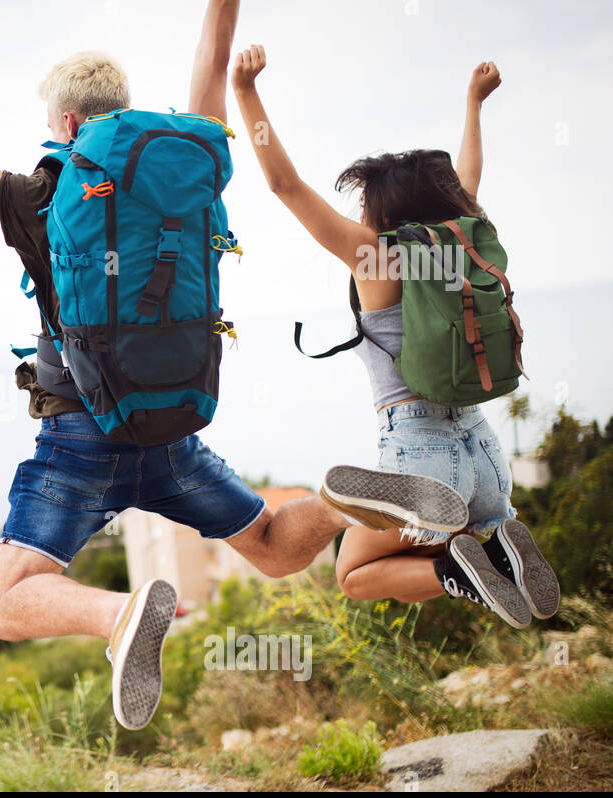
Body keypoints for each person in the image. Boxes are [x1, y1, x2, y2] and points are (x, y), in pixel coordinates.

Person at [0, 0, 459, 730]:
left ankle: (121, 614)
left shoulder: (41, 197)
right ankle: (337, 502)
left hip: (82, 439)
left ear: (68, 126)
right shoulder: (191, 167)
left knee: (5, 604)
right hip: (173, 427)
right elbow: (209, 70)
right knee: (273, 548)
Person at [232, 46, 559, 627]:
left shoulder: (375, 259)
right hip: (483, 452)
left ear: (381, 211)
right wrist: (474, 105)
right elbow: (469, 178)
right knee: (432, 549)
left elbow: (285, 185)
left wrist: (245, 91)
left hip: (420, 459)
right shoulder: (465, 244)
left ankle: (457, 570)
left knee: (353, 574)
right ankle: (493, 551)